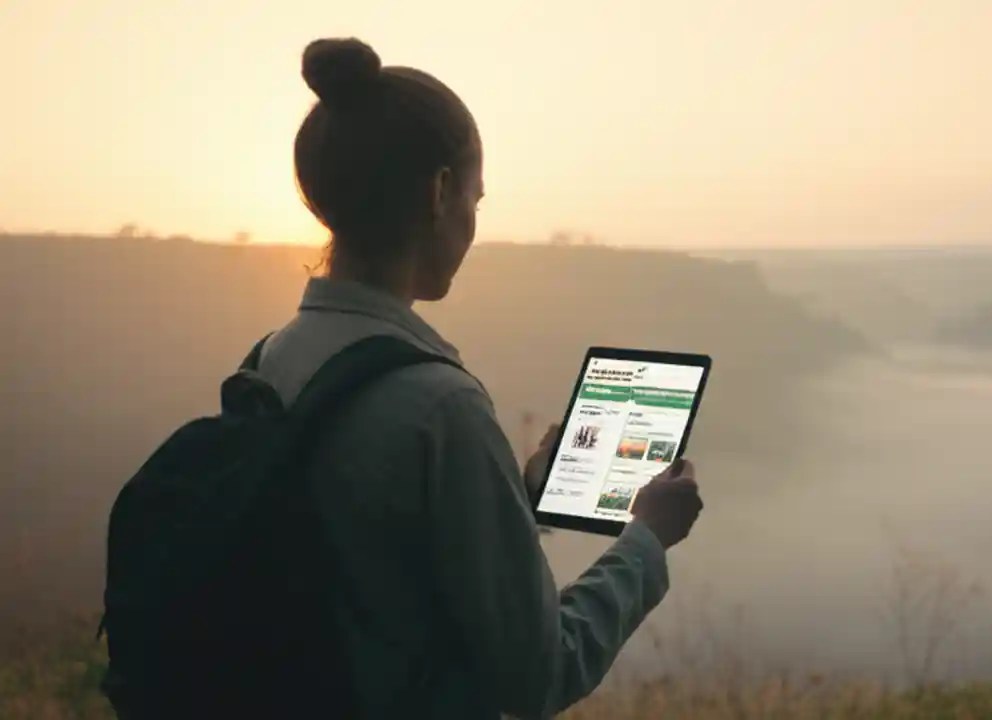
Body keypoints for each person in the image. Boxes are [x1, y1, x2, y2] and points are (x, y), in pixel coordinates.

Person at [251, 37, 705, 719]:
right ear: (440, 192)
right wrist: (646, 539)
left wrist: (513, 497)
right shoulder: (442, 409)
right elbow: (540, 674)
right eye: (476, 197)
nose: (472, 223)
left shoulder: (272, 358)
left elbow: (369, 557)